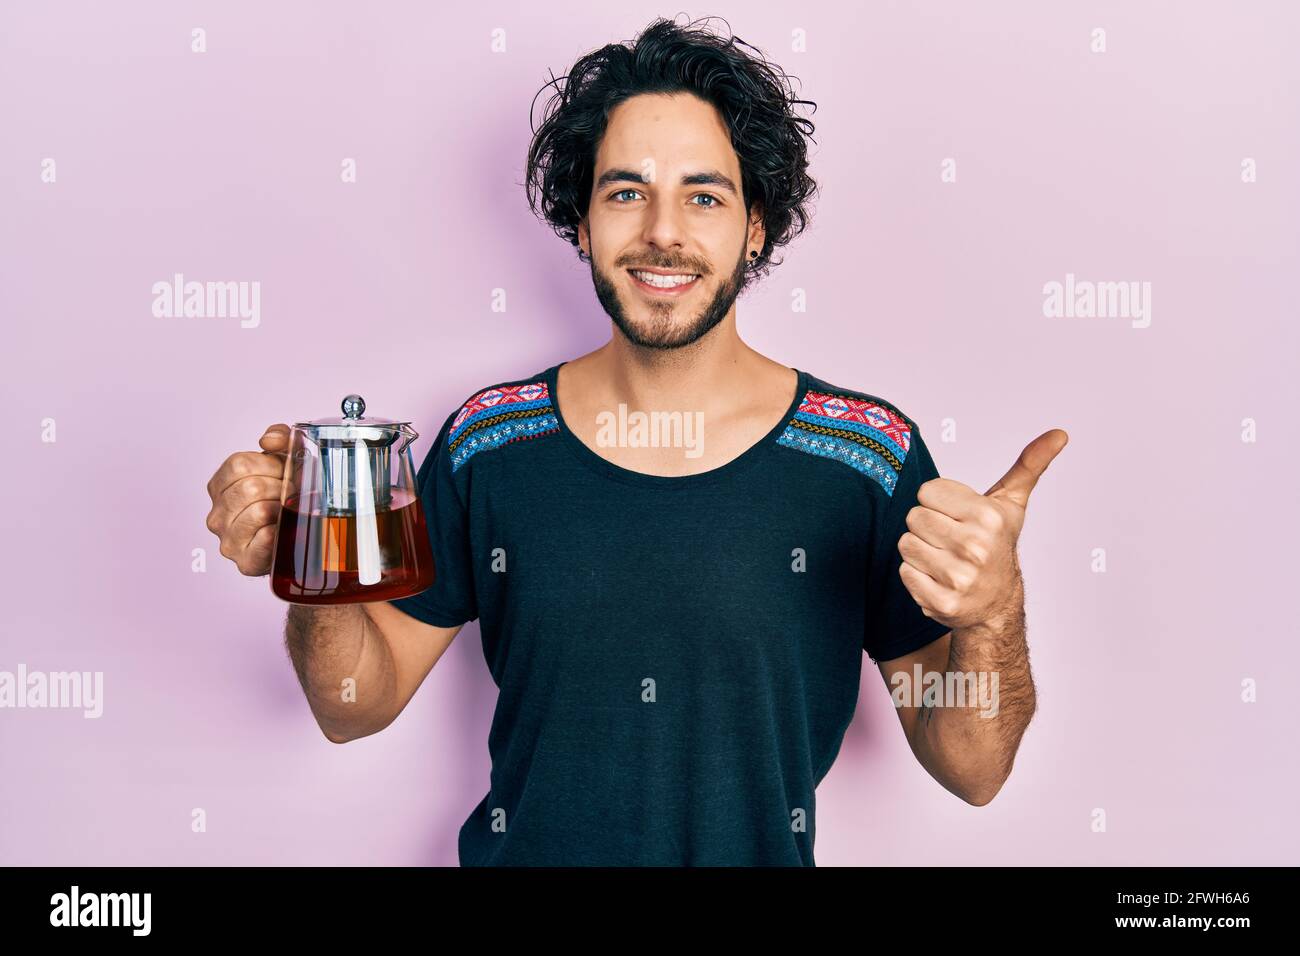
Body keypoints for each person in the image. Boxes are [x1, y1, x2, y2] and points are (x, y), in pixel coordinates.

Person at [204, 16, 1063, 866]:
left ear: (755, 225)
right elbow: (353, 706)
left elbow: (973, 769)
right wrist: (316, 563)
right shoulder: (487, 443)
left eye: (704, 195)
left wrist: (995, 611)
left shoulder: (866, 459)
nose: (663, 231)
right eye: (625, 192)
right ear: (581, 222)